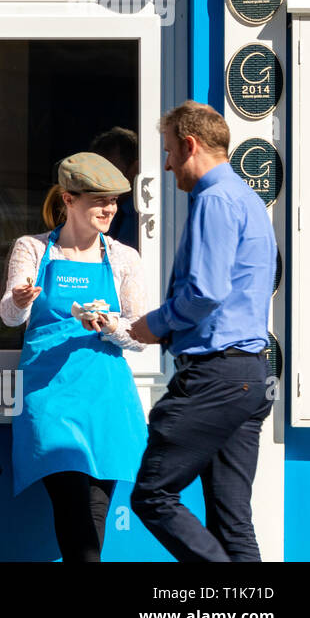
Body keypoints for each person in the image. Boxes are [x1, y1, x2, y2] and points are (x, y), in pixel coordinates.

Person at [128, 102, 276, 562]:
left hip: (215, 378)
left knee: (152, 494)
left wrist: (150, 326)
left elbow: (204, 293)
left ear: (190, 145)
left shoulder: (213, 199)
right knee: (233, 524)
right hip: (249, 376)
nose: (168, 164)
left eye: (170, 151)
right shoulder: (247, 197)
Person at [0, 153, 148, 562]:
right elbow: (10, 318)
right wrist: (19, 299)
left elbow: (139, 337)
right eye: (98, 200)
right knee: (71, 502)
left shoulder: (124, 258)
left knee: (94, 513)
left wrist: (109, 326)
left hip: (106, 397)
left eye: (114, 201)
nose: (109, 209)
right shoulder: (31, 249)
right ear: (68, 199)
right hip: (50, 397)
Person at [90, 127, 140, 248]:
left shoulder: (145, 215)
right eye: (98, 170)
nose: (101, 179)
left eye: (111, 171)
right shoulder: (93, 209)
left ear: (135, 169)